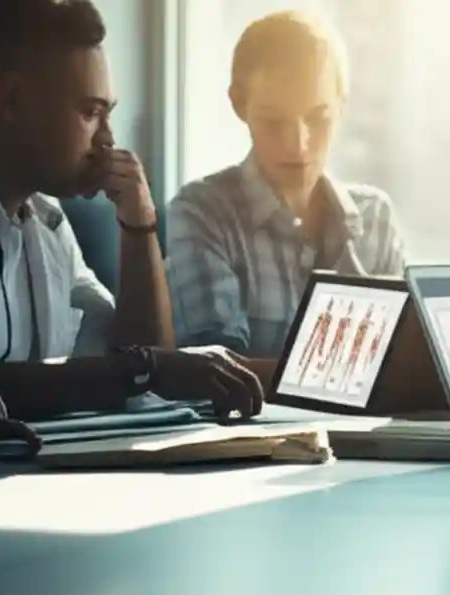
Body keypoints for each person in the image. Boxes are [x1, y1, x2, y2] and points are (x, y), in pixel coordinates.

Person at [0, 0, 264, 458]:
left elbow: (136, 365)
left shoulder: (48, 225)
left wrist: (140, 227)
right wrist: (145, 369)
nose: (108, 139)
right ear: (10, 101)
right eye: (91, 113)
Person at [166, 10, 405, 378]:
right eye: (274, 121)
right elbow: (220, 375)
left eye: (318, 118)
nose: (299, 143)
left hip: (362, 434)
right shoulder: (202, 213)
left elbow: (401, 358)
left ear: (343, 104)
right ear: (238, 104)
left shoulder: (376, 218)